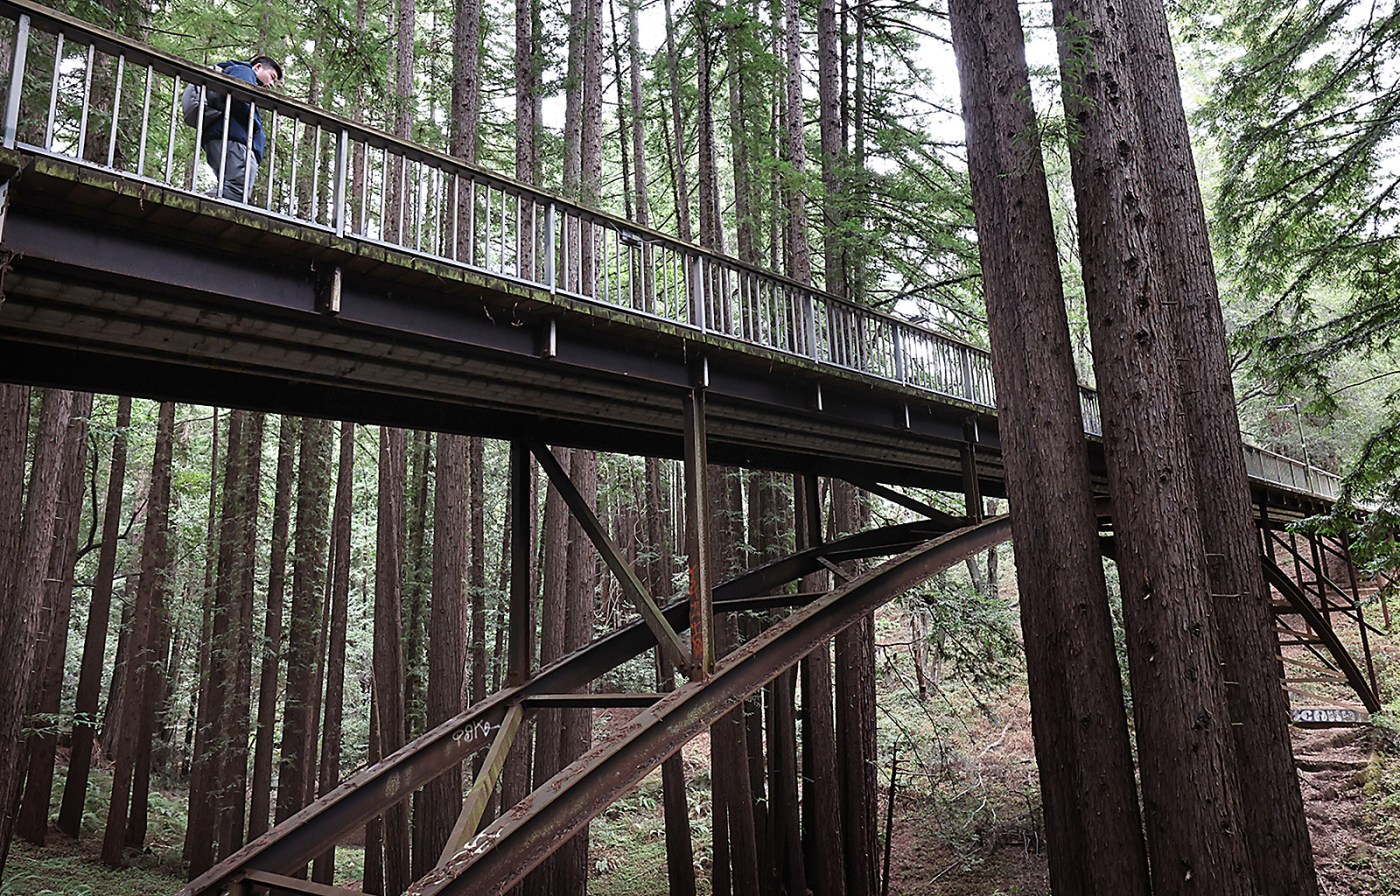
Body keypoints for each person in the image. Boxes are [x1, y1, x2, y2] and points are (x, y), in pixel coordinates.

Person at [203, 54, 283, 201]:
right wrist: (256, 126)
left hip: (230, 138)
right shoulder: (244, 71)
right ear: (258, 67)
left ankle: (208, 207)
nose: (271, 84)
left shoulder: (244, 75)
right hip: (233, 139)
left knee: (234, 188)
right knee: (237, 189)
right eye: (271, 77)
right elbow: (238, 97)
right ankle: (205, 207)